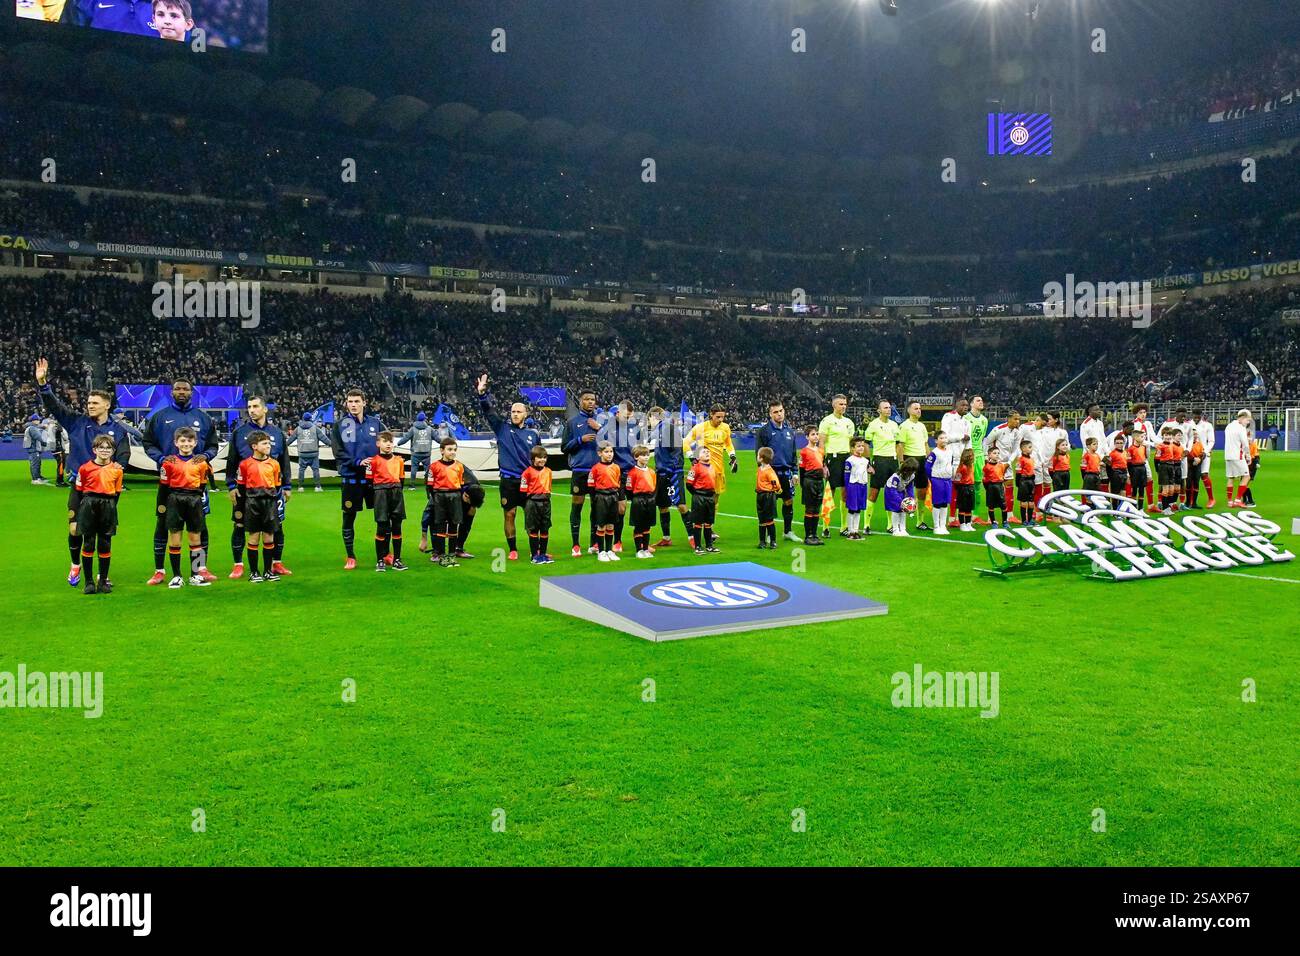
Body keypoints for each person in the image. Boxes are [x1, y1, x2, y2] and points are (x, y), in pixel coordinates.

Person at [35, 358, 131, 587]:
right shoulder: (77, 422)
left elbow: (124, 455)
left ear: (107, 405)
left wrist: (119, 469)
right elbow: (55, 407)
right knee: (75, 528)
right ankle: (76, 564)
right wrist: (43, 384)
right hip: (79, 487)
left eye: (95, 403)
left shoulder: (117, 430)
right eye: (89, 402)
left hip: (106, 490)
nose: (90, 405)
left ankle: (102, 575)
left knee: (102, 533)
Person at [142, 378, 219, 586]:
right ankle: (160, 570)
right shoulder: (160, 417)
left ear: (192, 393)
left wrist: (206, 456)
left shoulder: (203, 418)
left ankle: (200, 569)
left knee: (199, 527)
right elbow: (147, 442)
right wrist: (160, 458)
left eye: (186, 389)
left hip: (195, 484)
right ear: (172, 392)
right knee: (163, 525)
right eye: (178, 389)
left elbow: (213, 444)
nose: (182, 392)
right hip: (170, 485)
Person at [224, 396, 293, 580]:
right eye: (249, 407)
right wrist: (231, 485)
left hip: (271, 490)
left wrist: (286, 486)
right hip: (245, 490)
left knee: (276, 526)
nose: (252, 410)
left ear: (264, 409)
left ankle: (275, 563)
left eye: (255, 406)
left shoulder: (277, 433)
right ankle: (238, 564)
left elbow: (284, 460)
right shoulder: (240, 432)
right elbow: (232, 461)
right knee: (240, 525)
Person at [476, 374, 541, 561]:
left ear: (525, 414)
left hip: (528, 481)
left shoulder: (533, 434)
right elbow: (489, 411)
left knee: (531, 516)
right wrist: (482, 395)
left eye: (518, 411)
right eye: (513, 411)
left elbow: (540, 457)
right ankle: (513, 549)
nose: (515, 414)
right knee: (510, 514)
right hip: (508, 481)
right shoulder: (502, 429)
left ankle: (534, 549)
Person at [331, 388, 385, 570]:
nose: (353, 405)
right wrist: (357, 461)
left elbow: (386, 444)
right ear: (346, 404)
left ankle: (385, 553)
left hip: (373, 480)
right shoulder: (341, 425)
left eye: (356, 401)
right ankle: (351, 556)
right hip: (351, 479)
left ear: (364, 402)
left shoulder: (375, 424)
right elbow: (338, 452)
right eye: (350, 402)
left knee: (382, 517)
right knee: (348, 517)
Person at [159, 426, 213, 589]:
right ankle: (177, 576)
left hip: (194, 500)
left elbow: (203, 485)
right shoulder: (169, 462)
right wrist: (163, 507)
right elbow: (164, 486)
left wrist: (197, 500)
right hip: (175, 499)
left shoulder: (202, 463)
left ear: (195, 443)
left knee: (195, 539)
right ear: (176, 443)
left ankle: (195, 575)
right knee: (175, 538)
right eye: (182, 441)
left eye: (190, 441)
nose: (186, 444)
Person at [74, 435, 124, 595]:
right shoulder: (84, 468)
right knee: (88, 543)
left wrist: (109, 509)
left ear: (113, 451)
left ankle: (102, 581)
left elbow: (117, 494)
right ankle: (88, 582)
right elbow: (79, 492)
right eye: (101, 447)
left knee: (105, 543)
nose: (104, 450)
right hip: (89, 504)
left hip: (108, 506)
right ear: (94, 450)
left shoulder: (117, 470)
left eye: (108, 448)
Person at [236, 431, 287, 582]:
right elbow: (241, 488)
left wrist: (278, 505)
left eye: (269, 443)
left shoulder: (274, 464)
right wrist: (240, 510)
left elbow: (278, 487)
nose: (268, 446)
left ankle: (267, 571)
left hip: (269, 503)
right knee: (253, 537)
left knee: (269, 537)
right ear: (254, 446)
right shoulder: (245, 465)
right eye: (264, 443)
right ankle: (254, 572)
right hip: (252, 503)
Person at [562, 389, 602, 557]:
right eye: (587, 399)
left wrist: (599, 430)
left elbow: (612, 444)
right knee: (577, 507)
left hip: (598, 471)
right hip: (580, 470)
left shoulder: (601, 422)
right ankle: (576, 545)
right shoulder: (572, 422)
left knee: (596, 507)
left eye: (593, 399)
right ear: (581, 402)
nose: (591, 402)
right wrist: (580, 440)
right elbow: (564, 447)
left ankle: (594, 543)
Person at [362, 431, 408, 572]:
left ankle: (397, 559)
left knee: (397, 527)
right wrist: (372, 502)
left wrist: (397, 492)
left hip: (396, 493)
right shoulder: (373, 461)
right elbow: (368, 483)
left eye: (390, 441)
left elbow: (401, 480)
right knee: (382, 527)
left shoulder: (399, 461)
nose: (388, 444)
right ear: (378, 444)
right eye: (385, 441)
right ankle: (380, 560)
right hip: (380, 494)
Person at [601, 400, 642, 553]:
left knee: (640, 507)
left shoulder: (635, 429)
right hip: (620, 474)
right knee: (621, 508)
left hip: (635, 473)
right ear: (617, 414)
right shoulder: (609, 430)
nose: (628, 419)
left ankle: (641, 542)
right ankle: (617, 541)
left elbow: (638, 450)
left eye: (630, 417)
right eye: (625, 416)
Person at [647, 406, 692, 548]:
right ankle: (666, 538)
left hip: (671, 473)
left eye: (650, 419)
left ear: (654, 417)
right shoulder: (661, 430)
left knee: (681, 505)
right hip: (661, 473)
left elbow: (677, 451)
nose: (650, 422)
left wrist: (673, 470)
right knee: (662, 506)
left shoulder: (669, 428)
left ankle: (693, 537)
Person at [756, 401, 799, 542]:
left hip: (786, 473)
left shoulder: (789, 431)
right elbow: (759, 455)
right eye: (775, 412)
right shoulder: (764, 431)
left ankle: (788, 531)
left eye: (781, 411)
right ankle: (769, 534)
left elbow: (793, 454)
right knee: (769, 505)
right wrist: (764, 472)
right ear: (770, 414)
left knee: (788, 501)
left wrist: (795, 472)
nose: (779, 414)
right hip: (770, 473)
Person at [819, 394, 857, 534]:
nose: (843, 406)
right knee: (830, 491)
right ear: (833, 405)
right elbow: (822, 442)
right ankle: (825, 527)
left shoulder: (849, 422)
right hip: (832, 458)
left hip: (846, 458)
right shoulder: (826, 421)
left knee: (845, 492)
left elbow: (852, 443)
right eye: (841, 404)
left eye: (845, 404)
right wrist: (823, 463)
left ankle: (844, 526)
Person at [426, 437, 466, 567]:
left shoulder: (459, 466)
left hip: (455, 496)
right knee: (440, 526)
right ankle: (441, 555)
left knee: (454, 526)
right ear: (442, 450)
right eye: (449, 449)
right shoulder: (434, 466)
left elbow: (461, 484)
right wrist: (436, 498)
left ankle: (452, 555)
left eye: (454, 449)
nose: (452, 452)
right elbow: (430, 486)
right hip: (440, 496)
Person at [862, 400, 900, 535]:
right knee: (874, 492)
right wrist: (867, 462)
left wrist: (900, 463)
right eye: (885, 408)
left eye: (889, 407)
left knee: (891, 492)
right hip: (879, 460)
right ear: (879, 410)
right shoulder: (873, 425)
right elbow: (866, 444)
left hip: (893, 461)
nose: (888, 410)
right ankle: (866, 524)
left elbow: (898, 445)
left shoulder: (895, 425)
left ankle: (890, 525)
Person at [685, 405, 737, 500]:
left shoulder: (725, 428)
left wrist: (732, 456)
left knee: (715, 499)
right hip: (704, 470)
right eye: (718, 417)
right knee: (703, 499)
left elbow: (728, 444)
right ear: (711, 414)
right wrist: (691, 457)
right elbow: (685, 442)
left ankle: (712, 515)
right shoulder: (700, 427)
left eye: (723, 417)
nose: (721, 420)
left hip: (719, 469)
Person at [984, 409, 1023, 524]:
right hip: (996, 464)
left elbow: (1017, 449)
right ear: (1009, 419)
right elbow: (986, 443)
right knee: (994, 490)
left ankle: (1010, 515)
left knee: (1009, 487)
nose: (1017, 421)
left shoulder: (1018, 432)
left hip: (1007, 463)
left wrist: (1009, 462)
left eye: (1019, 419)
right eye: (1015, 419)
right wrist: (988, 460)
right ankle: (989, 518)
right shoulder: (998, 430)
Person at [896, 401, 931, 531]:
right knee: (905, 490)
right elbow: (900, 445)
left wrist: (929, 459)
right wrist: (901, 462)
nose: (919, 410)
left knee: (922, 490)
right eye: (916, 408)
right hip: (909, 459)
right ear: (909, 411)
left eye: (920, 408)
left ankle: (920, 521)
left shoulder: (922, 426)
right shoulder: (904, 426)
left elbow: (926, 444)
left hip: (922, 459)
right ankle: (901, 521)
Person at [520, 446, 555, 564]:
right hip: (533, 503)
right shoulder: (527, 472)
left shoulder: (549, 471)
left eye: (545, 457)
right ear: (533, 458)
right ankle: (534, 556)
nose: (542, 460)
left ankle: (543, 554)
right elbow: (523, 491)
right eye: (539, 457)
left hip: (546, 503)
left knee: (545, 529)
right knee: (534, 529)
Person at [590, 441, 623, 561]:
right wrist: (595, 500)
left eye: (611, 451)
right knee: (601, 525)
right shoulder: (595, 468)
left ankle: (609, 550)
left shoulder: (616, 467)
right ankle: (601, 551)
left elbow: (618, 482)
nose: (609, 454)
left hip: (613, 496)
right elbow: (591, 486)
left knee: (611, 524)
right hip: (601, 497)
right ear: (600, 453)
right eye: (606, 452)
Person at [625, 444, 658, 559]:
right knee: (639, 525)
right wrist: (635, 499)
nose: (646, 457)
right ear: (636, 457)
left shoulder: (652, 472)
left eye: (647, 455)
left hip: (650, 500)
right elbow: (629, 489)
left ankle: (645, 548)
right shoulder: (632, 472)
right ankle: (639, 550)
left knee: (647, 526)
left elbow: (654, 486)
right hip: (638, 500)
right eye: (643, 455)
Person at [685, 446, 719, 554]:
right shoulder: (695, 467)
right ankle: (698, 547)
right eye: (704, 452)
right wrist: (697, 494)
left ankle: (709, 546)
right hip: (699, 497)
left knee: (708, 523)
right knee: (698, 523)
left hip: (710, 497)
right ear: (698, 456)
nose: (707, 453)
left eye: (708, 451)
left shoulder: (712, 467)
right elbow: (689, 484)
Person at [963, 396, 990, 522]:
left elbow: (982, 438)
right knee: (965, 486)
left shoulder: (984, 420)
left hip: (979, 456)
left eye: (982, 400)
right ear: (971, 404)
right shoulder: (966, 418)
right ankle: (961, 513)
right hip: (967, 456)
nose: (981, 402)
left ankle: (976, 514)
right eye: (978, 400)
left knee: (978, 486)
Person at [799, 427, 827, 546]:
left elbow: (823, 464)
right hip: (809, 481)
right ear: (807, 437)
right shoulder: (804, 451)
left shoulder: (821, 451)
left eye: (816, 434)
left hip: (819, 481)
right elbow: (801, 468)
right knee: (809, 509)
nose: (815, 436)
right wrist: (803, 484)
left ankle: (814, 534)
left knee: (817, 509)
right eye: (812, 434)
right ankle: (808, 535)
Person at [288, 415, 327, 492]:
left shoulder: (298, 429)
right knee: (315, 470)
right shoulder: (315, 428)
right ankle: (317, 487)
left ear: (303, 419)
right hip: (313, 453)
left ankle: (300, 487)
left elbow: (290, 439)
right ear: (311, 419)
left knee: (301, 470)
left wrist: (284, 445)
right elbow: (324, 438)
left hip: (302, 453)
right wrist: (332, 444)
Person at [925, 431, 954, 536]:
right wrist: (932, 479)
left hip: (947, 480)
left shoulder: (950, 451)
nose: (944, 440)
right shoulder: (934, 453)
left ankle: (943, 525)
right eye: (941, 438)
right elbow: (927, 467)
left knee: (945, 503)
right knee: (937, 503)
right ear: (936, 440)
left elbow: (950, 463)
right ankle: (936, 526)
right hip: (937, 480)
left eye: (945, 437)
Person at [1131, 403, 1158, 510]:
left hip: (1145, 455)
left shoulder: (1147, 424)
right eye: (1140, 413)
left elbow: (1153, 436)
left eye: (1144, 412)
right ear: (1136, 414)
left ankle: (1150, 505)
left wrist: (1162, 443)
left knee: (1149, 479)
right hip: (1137, 456)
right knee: (1140, 480)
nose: (1143, 414)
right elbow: (1139, 439)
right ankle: (1134, 504)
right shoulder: (1135, 424)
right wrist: (1153, 444)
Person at [843, 437, 871, 539]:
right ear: (852, 448)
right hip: (853, 486)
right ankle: (850, 531)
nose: (861, 448)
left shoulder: (865, 460)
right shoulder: (849, 460)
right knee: (852, 508)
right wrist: (847, 489)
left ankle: (856, 530)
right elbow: (846, 476)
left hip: (862, 486)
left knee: (859, 508)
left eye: (862, 446)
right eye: (858, 446)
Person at [1224, 409, 1252, 508]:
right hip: (1237, 455)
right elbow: (1245, 443)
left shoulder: (1228, 426)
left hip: (1228, 455)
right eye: (1247, 420)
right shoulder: (1241, 428)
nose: (1248, 423)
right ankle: (1237, 500)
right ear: (1242, 418)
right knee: (1246, 476)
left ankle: (1230, 502)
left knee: (1231, 478)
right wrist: (1248, 455)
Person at [396, 411, 435, 483]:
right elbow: (437, 438)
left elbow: (406, 438)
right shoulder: (430, 429)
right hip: (426, 453)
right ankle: (427, 483)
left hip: (415, 453)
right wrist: (444, 443)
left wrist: (398, 443)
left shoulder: (413, 429)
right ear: (424, 419)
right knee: (427, 469)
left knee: (414, 469)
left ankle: (412, 485)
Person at [755, 446, 781, 549]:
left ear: (761, 458)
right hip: (760, 495)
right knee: (761, 519)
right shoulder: (760, 468)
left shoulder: (769, 471)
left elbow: (775, 483)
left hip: (768, 496)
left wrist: (776, 490)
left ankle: (773, 541)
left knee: (769, 519)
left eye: (758, 455)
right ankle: (762, 541)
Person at [1079, 404, 1108, 494]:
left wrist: (1107, 454)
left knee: (1102, 481)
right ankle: (1086, 505)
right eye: (1096, 410)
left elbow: (1103, 440)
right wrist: (1094, 457)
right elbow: (1085, 443)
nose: (1099, 411)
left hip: (1101, 457)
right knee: (1088, 484)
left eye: (1099, 409)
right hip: (1090, 459)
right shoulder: (1085, 424)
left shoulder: (1099, 423)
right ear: (1090, 412)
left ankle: (1101, 503)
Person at [884, 459, 918, 538]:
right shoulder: (896, 477)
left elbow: (910, 488)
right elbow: (893, 490)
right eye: (911, 471)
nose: (912, 473)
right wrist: (901, 501)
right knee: (896, 509)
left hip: (901, 490)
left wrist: (910, 499)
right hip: (891, 491)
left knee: (903, 510)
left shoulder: (912, 476)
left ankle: (903, 529)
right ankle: (895, 530)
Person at [1191, 410, 1216, 507]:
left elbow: (1211, 441)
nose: (1197, 417)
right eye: (1195, 415)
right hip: (1192, 454)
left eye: (1198, 415)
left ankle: (1211, 499)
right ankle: (1191, 500)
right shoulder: (1188, 424)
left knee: (1204, 475)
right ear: (1192, 415)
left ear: (1201, 416)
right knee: (1192, 477)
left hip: (1204, 453)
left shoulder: (1207, 425)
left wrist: (1205, 451)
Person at [981, 448, 1008, 528]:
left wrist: (1002, 486)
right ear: (989, 455)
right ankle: (993, 522)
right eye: (994, 453)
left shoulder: (1001, 466)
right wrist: (988, 488)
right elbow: (984, 480)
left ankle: (1005, 522)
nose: (997, 455)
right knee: (991, 506)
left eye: (998, 453)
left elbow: (1002, 476)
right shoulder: (986, 467)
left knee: (1003, 505)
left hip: (999, 486)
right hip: (991, 487)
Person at [1015, 439, 1038, 527]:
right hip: (1023, 481)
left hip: (1031, 481)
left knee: (1031, 502)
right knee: (1024, 502)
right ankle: (1024, 521)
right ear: (1023, 449)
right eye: (1029, 447)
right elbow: (1018, 471)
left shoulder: (1031, 459)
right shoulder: (1020, 459)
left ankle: (1030, 519)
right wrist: (1018, 483)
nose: (1031, 449)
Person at [954, 448, 976, 532]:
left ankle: (968, 523)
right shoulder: (961, 467)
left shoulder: (972, 466)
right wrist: (959, 488)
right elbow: (957, 479)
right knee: (962, 507)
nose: (972, 458)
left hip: (971, 487)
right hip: (963, 488)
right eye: (970, 456)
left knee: (969, 507)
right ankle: (962, 524)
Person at [24, 414, 46, 484]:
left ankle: (38, 476)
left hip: (32, 448)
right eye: (38, 420)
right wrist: (44, 443)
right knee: (35, 464)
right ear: (34, 421)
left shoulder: (30, 427)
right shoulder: (32, 428)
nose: (39, 421)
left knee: (37, 463)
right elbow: (38, 436)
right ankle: (35, 479)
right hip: (34, 448)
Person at [1107, 431, 1130, 497]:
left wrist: (1128, 475)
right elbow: (1107, 466)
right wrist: (1111, 477)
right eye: (1117, 443)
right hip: (1116, 474)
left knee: (1123, 493)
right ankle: (1115, 507)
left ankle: (1121, 507)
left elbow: (1127, 465)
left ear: (1123, 444)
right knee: (1115, 494)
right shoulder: (1111, 454)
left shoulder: (1125, 453)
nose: (1119, 445)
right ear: (1114, 444)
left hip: (1124, 474)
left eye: (1121, 443)